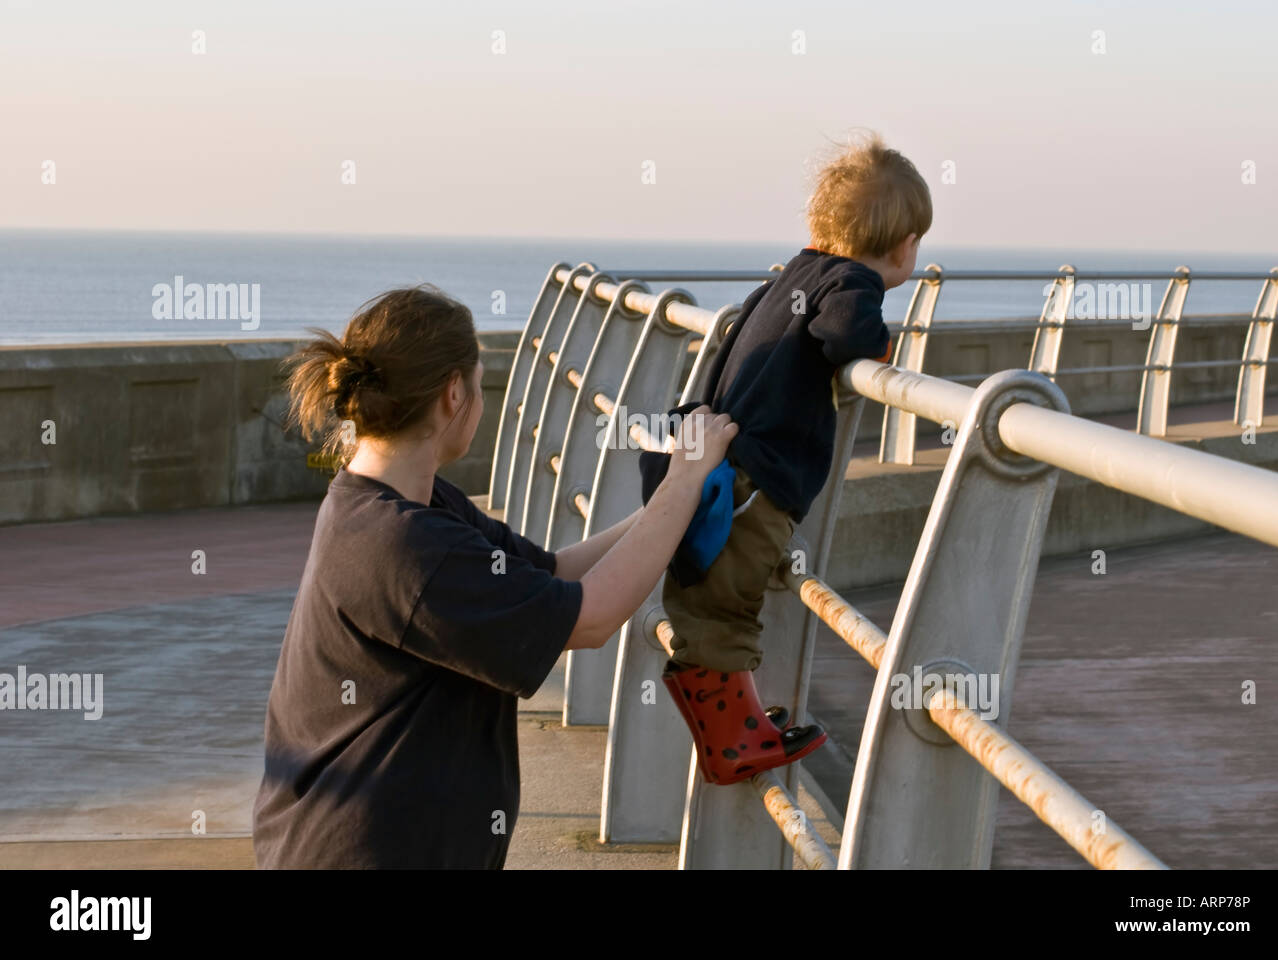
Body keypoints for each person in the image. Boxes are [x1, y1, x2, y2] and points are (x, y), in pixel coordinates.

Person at [252, 284, 738, 868]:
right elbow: (590, 618)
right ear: (453, 394)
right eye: (481, 386)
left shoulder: (405, 506)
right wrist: (683, 483)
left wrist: (672, 505)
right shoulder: (406, 543)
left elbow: (556, 572)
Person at [639, 132, 933, 785]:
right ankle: (732, 744)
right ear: (904, 243)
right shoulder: (850, 280)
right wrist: (876, 349)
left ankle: (738, 725)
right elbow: (843, 335)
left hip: (717, 465)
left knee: (705, 598)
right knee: (723, 607)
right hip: (753, 481)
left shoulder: (790, 275)